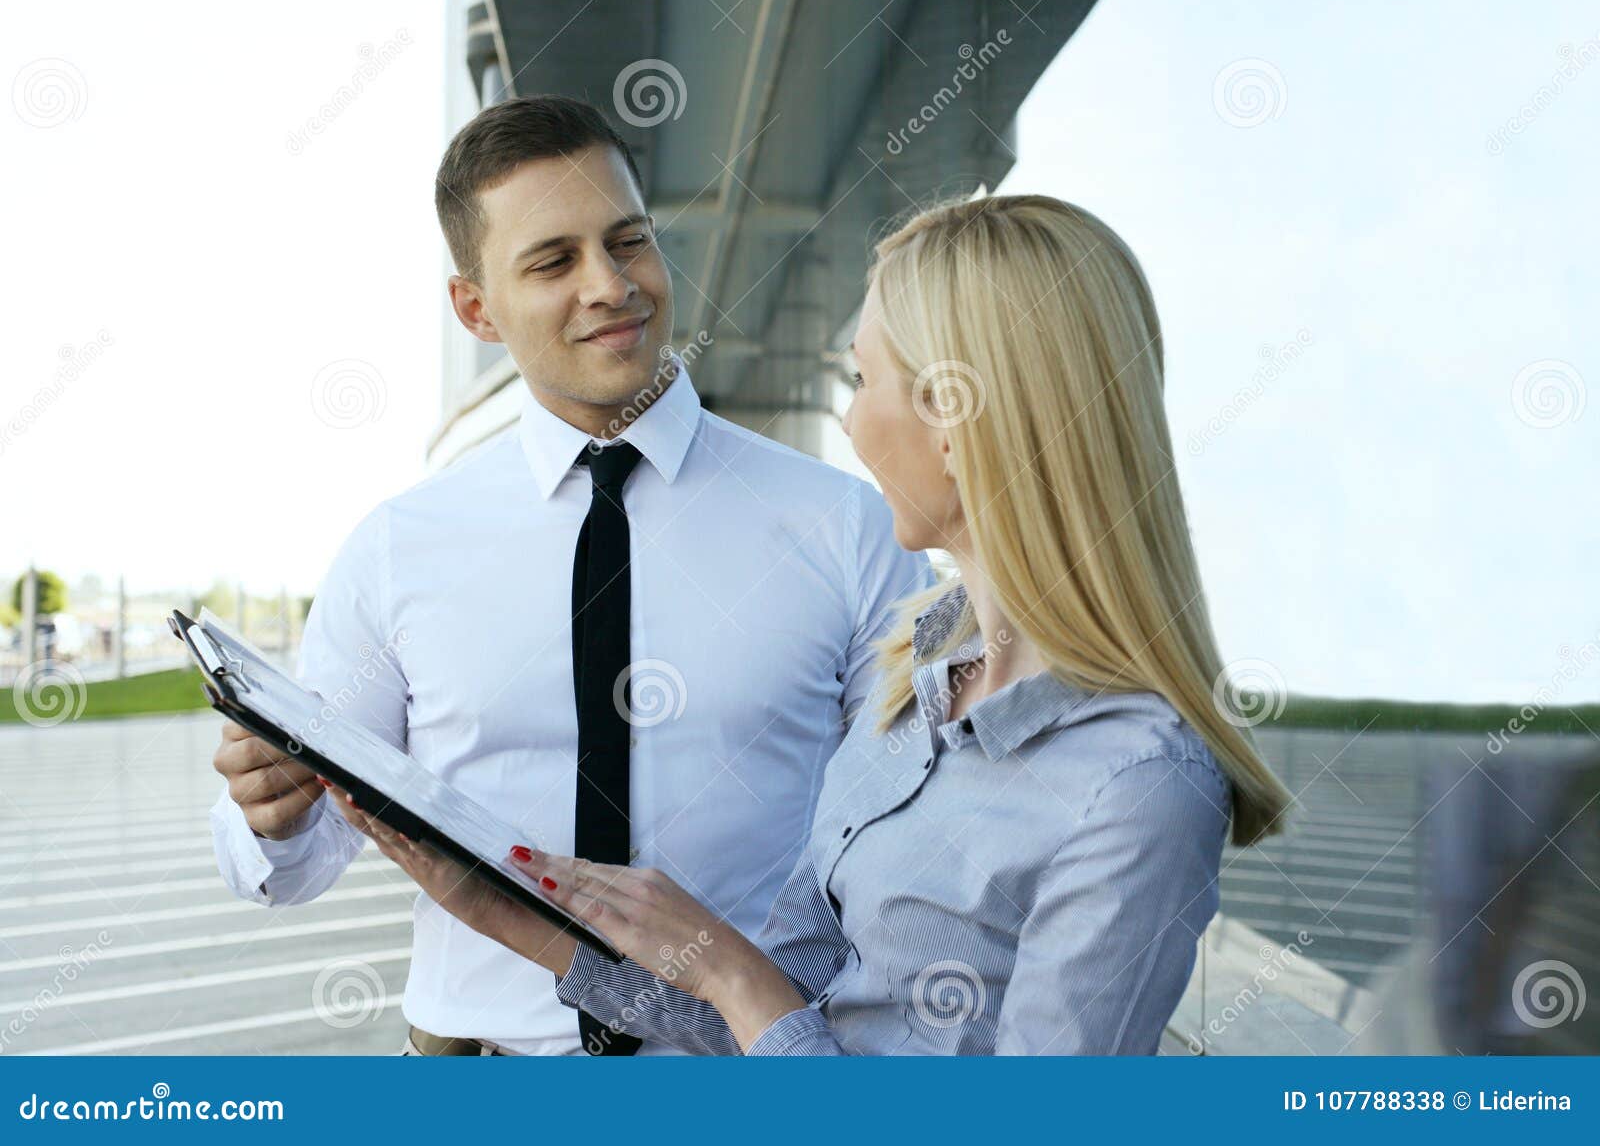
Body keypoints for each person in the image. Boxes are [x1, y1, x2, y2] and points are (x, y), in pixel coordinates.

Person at [337, 193, 1296, 1054]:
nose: (848, 424)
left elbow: (768, 1006)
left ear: (954, 419)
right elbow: (791, 1014)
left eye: (862, 380)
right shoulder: (919, 670)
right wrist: (500, 908)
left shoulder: (1137, 785)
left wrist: (731, 971)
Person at [207, 95, 930, 1056]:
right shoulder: (396, 549)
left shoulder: (847, 526)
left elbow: (913, 838)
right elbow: (294, 867)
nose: (610, 285)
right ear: (476, 309)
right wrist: (270, 814)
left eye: (629, 242)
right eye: (553, 261)